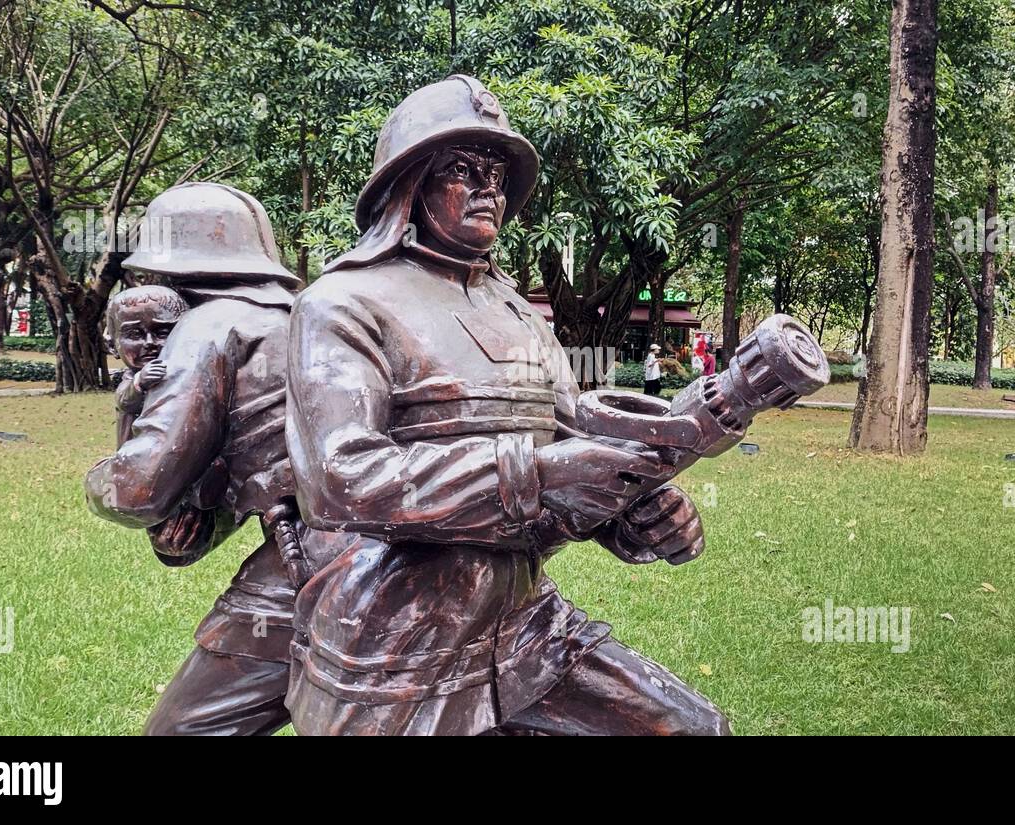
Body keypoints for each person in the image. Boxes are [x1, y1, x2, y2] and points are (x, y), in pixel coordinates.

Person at [284, 75, 728, 736]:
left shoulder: (519, 311)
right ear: (408, 185)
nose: (489, 186)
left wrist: (636, 515)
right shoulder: (342, 304)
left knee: (692, 728)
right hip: (394, 644)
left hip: (523, 627)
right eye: (463, 169)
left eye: (496, 172)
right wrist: (540, 472)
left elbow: (575, 446)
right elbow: (341, 480)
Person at [85, 182, 358, 735]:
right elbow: (266, 460)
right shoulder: (312, 313)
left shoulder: (204, 328)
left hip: (318, 558)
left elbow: (139, 488)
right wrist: (203, 522)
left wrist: (97, 484)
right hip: (376, 535)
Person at [105, 285, 186, 448]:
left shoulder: (187, 376)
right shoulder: (130, 381)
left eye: (162, 333)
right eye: (135, 335)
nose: (149, 343)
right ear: (112, 346)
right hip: (136, 455)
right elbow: (125, 401)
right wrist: (140, 383)